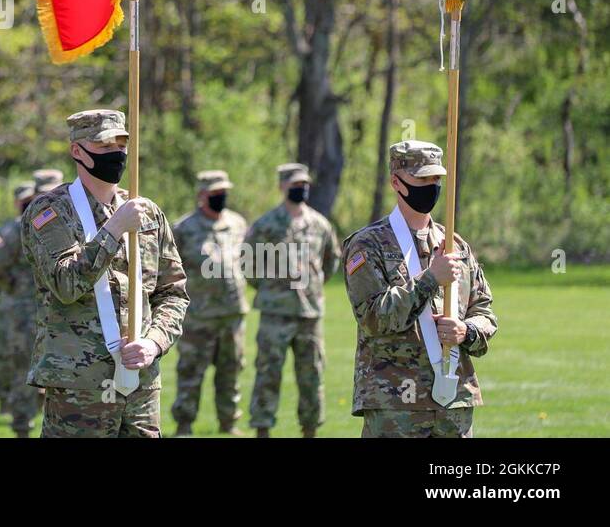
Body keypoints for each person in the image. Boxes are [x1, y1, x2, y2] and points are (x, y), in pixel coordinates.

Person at [21, 110, 189, 438]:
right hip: (79, 389)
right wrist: (113, 230)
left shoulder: (148, 213)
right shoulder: (50, 212)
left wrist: (154, 342)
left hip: (140, 387)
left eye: (121, 143)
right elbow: (65, 284)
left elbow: (173, 292)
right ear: (77, 151)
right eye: (103, 145)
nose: (116, 153)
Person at [344, 140, 497, 437]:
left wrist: (466, 331)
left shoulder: (456, 245)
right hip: (396, 401)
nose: (431, 186)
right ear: (396, 182)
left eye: (436, 179)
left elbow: (485, 311)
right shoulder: (368, 244)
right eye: (422, 178)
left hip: (453, 399)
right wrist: (430, 279)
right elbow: (374, 318)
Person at [244, 165, 340, 437]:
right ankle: (262, 428)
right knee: (267, 373)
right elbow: (248, 262)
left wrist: (314, 285)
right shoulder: (265, 225)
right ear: (282, 187)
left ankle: (310, 428)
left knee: (311, 375)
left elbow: (331, 260)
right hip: (275, 312)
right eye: (295, 184)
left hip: (309, 314)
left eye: (305, 183)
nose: (302, 188)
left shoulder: (320, 224)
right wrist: (269, 287)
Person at [171, 170, 249, 436]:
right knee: (191, 372)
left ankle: (229, 423)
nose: (221, 196)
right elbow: (169, 271)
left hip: (232, 314)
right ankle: (184, 424)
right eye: (216, 193)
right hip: (198, 315)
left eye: (224, 192)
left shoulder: (238, 223)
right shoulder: (183, 229)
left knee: (231, 370)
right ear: (202, 195)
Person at [0, 180, 42, 436]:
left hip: (58, 313)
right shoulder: (16, 230)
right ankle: (21, 424)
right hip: (23, 312)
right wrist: (15, 289)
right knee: (22, 367)